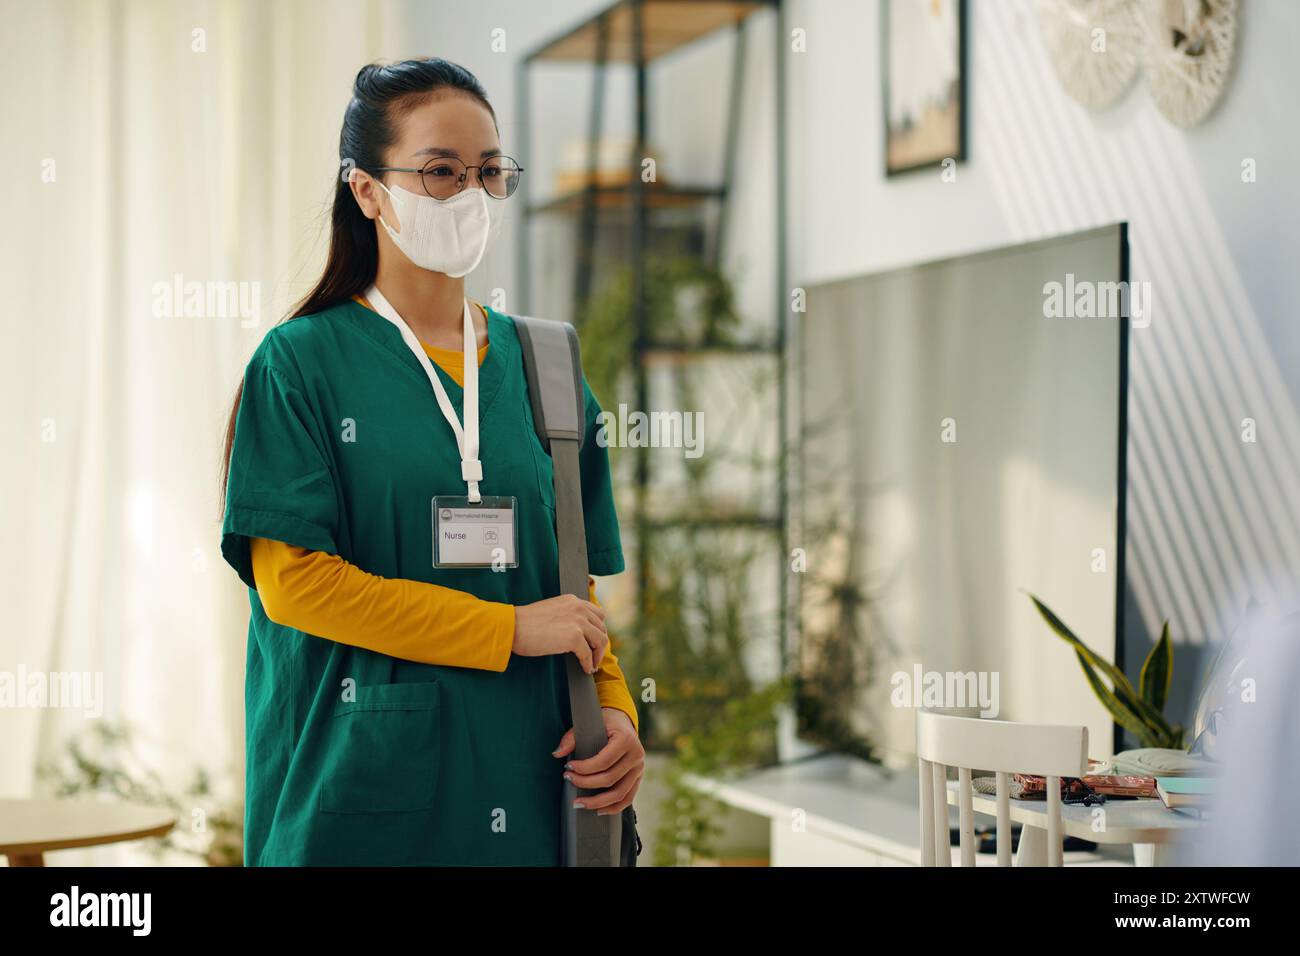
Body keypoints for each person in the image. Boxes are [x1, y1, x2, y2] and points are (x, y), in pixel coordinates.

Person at [219, 57, 643, 865]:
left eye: (489, 172)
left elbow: (574, 582)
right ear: (368, 190)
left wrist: (615, 712)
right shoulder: (300, 364)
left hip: (531, 783)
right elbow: (294, 582)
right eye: (441, 172)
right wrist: (506, 629)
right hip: (358, 797)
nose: (471, 194)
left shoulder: (547, 364)